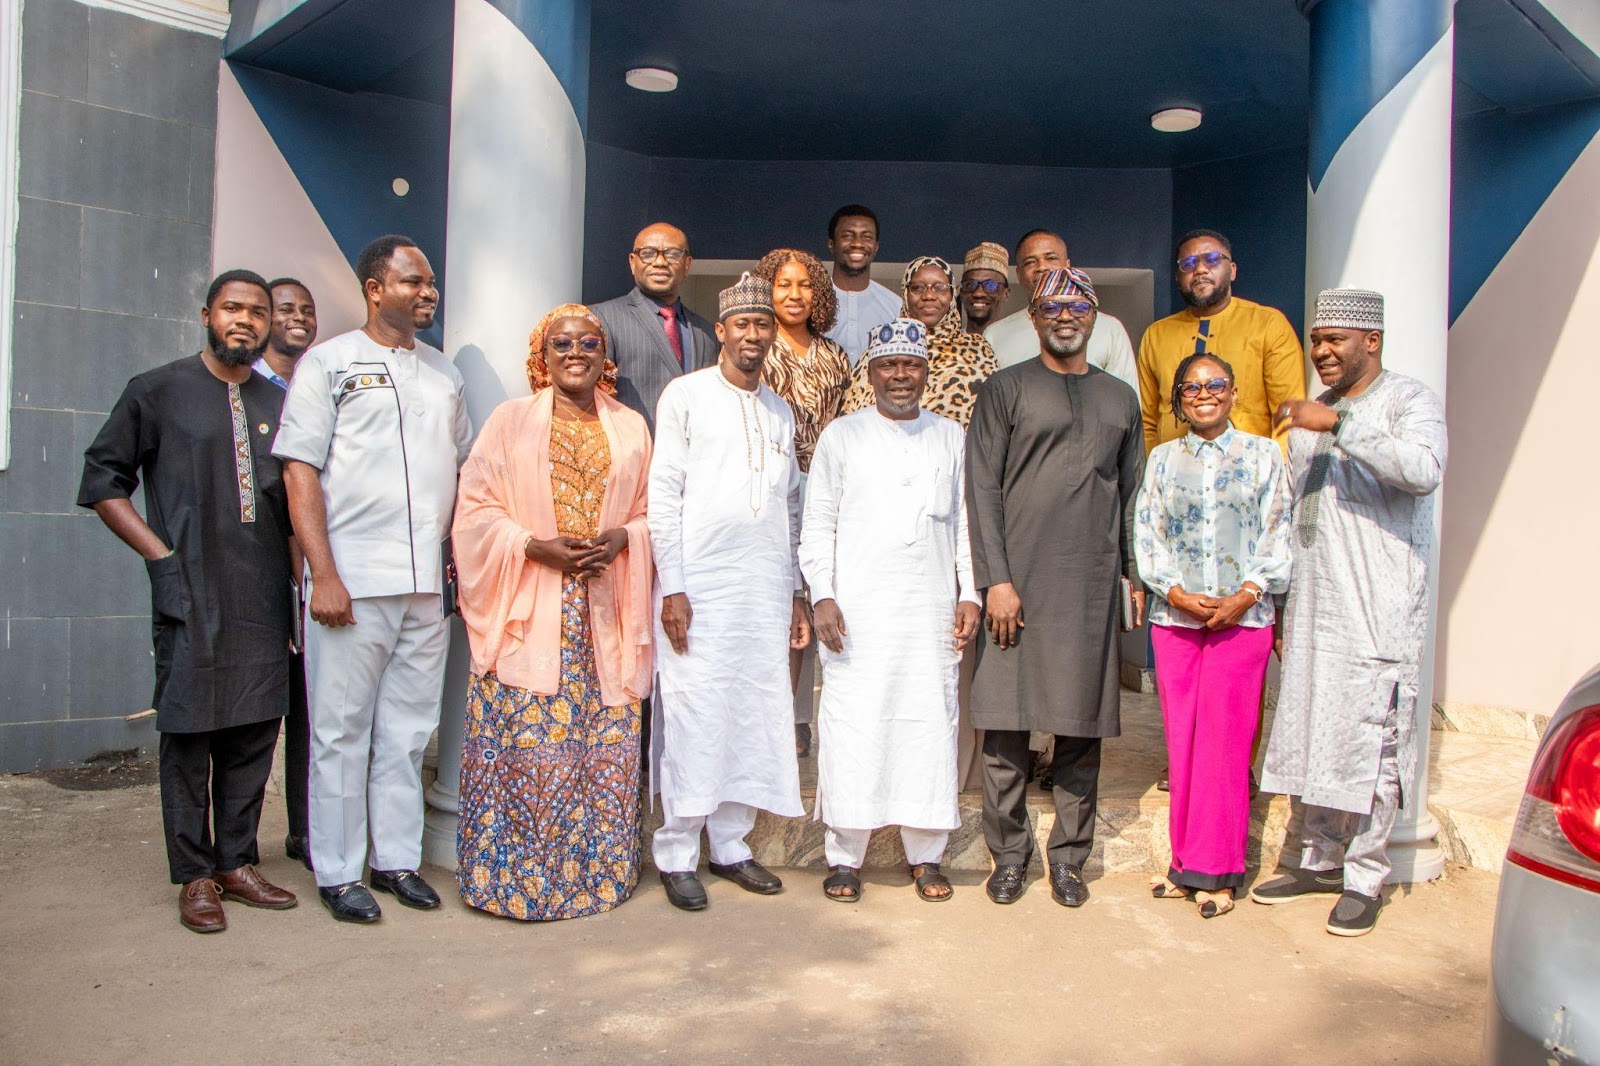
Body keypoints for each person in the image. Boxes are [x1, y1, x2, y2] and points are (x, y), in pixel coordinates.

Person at [78, 269, 298, 933]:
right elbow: (102, 481)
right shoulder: (158, 390)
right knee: (189, 734)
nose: (246, 320)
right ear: (207, 314)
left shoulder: (279, 401)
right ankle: (195, 875)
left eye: (257, 311)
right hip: (191, 590)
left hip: (262, 593)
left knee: (254, 731)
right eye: (233, 308)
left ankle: (236, 861)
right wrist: (161, 555)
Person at [274, 235, 472, 924]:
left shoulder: (445, 374)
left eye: (431, 283)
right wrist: (323, 574)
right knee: (339, 731)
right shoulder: (327, 364)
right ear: (374, 286)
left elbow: (464, 472)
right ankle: (336, 870)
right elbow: (299, 471)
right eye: (413, 281)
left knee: (408, 732)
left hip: (425, 588)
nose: (428, 292)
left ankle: (395, 861)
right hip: (350, 585)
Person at [1253, 289, 1447, 938]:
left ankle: (1366, 878)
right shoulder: (1317, 415)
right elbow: (1291, 512)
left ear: (1373, 341)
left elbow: (1423, 469)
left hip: (1379, 611)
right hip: (1315, 611)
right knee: (1317, 734)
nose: (1322, 351)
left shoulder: (1407, 401)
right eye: (1317, 339)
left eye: (1336, 339)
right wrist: (1279, 601)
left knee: (1371, 744)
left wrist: (1340, 426)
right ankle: (1317, 860)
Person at [451, 304, 654, 921]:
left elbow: (654, 512)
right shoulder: (509, 422)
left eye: (588, 341)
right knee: (528, 746)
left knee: (604, 743)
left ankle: (597, 877)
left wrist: (623, 539)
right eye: (561, 342)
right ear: (543, 356)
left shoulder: (631, 428)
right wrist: (534, 547)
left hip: (607, 613)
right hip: (531, 607)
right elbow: (475, 510)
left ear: (604, 353)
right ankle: (511, 882)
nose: (575, 351)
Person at [965, 267, 1145, 909]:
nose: (1065, 316)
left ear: (1093, 318)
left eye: (1077, 307)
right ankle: (1009, 856)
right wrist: (997, 582)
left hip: (1091, 585)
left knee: (1080, 728)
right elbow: (981, 489)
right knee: (1007, 730)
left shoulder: (1121, 399)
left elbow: (1133, 493)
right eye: (1052, 307)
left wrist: (1133, 573)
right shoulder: (1004, 389)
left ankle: (1069, 859)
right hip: (1018, 585)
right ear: (1034, 318)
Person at [800, 318, 982, 904]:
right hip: (856, 613)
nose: (900, 375)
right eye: (888, 365)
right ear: (870, 373)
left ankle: (926, 856)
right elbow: (817, 524)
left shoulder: (951, 436)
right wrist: (821, 594)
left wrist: (969, 592)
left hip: (929, 610)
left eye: (911, 364)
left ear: (926, 372)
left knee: (929, 722)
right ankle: (844, 855)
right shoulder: (842, 436)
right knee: (853, 723)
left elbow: (964, 526)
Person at [648, 272, 810, 912]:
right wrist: (674, 587)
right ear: (721, 331)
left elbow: (791, 505)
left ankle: (733, 846)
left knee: (749, 715)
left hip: (764, 592)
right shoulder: (685, 396)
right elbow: (664, 495)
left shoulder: (778, 408)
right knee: (695, 714)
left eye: (762, 324)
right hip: (702, 591)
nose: (753, 334)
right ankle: (677, 851)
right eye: (741, 323)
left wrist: (796, 593)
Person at [1135, 353, 1292, 918]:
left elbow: (1278, 530)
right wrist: (1174, 593)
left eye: (1215, 384)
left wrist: (1247, 594)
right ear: (1178, 397)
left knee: (1225, 743)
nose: (1204, 393)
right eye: (1191, 386)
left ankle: (1220, 873)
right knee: (1182, 740)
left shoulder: (1263, 454)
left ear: (1232, 392)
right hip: (1176, 620)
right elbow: (1147, 533)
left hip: (1242, 619)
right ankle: (1184, 866)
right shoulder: (1160, 460)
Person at [751, 247, 853, 757]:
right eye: (783, 284)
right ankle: (779, 720)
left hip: (828, 490)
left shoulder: (835, 356)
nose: (794, 295)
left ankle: (815, 720)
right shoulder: (754, 348)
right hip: (770, 491)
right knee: (780, 607)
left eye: (805, 285)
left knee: (823, 602)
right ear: (767, 290)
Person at [1136, 229, 1305, 455]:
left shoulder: (1268, 325)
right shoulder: (1156, 335)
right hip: (1176, 476)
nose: (1200, 269)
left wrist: (1276, 478)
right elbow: (1148, 421)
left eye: (1213, 259)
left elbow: (1289, 415)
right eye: (1188, 263)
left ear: (1232, 270)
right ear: (1178, 277)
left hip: (1249, 475)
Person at [254, 277, 318, 871]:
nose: (298, 318)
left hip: (312, 576)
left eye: (307, 310)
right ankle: (234, 845)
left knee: (308, 708)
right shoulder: (248, 393)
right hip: (259, 572)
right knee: (253, 711)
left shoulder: (320, 386)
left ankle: (304, 830)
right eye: (285, 310)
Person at [841, 256, 998, 429]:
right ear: (905, 293)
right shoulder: (881, 349)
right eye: (917, 287)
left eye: (940, 288)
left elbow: (993, 422)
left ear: (953, 294)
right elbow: (852, 420)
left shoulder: (977, 350)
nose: (929, 295)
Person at [591, 222, 718, 433]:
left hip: (693, 458)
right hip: (634, 457)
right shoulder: (602, 318)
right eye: (648, 253)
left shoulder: (706, 333)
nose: (660, 262)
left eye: (672, 254)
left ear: (687, 264)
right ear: (633, 262)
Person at [984, 229, 1139, 394]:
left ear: (1067, 265)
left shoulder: (1110, 329)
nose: (1041, 267)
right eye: (1030, 262)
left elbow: (1126, 403)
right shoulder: (995, 335)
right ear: (1018, 274)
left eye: (1051, 258)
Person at [822, 204, 903, 367]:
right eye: (847, 236)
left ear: (876, 247)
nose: (857, 243)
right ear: (831, 244)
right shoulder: (811, 302)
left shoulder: (896, 308)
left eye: (866, 237)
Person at [958, 242, 1010, 337]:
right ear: (961, 294)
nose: (979, 293)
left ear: (1005, 294)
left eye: (990, 285)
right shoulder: (947, 346)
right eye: (970, 285)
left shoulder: (1017, 344)